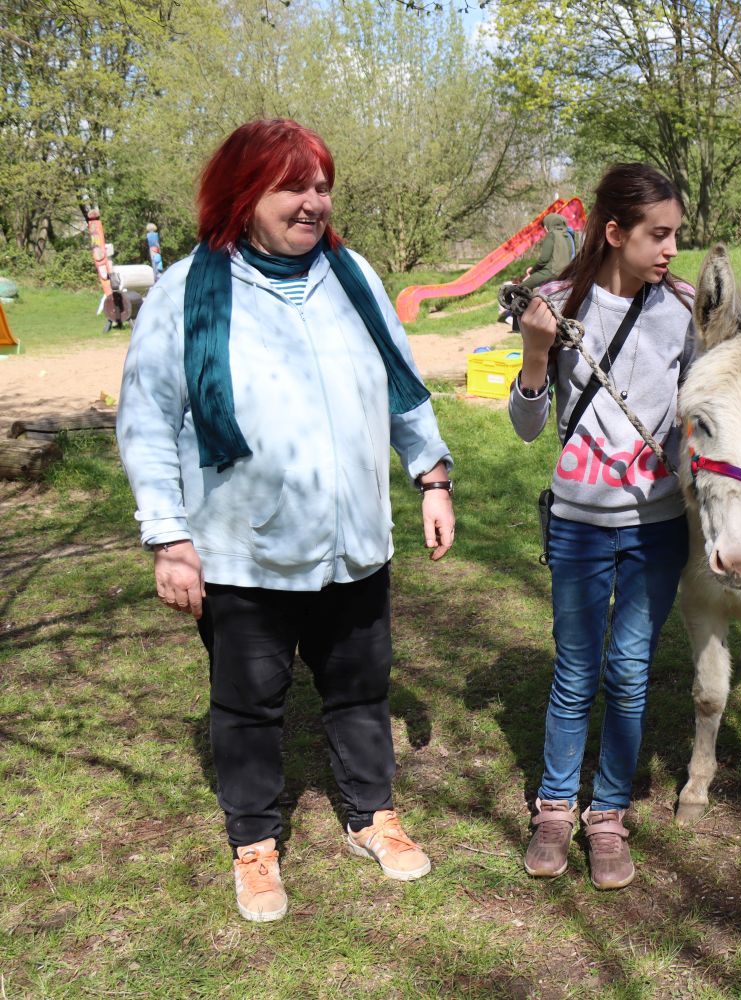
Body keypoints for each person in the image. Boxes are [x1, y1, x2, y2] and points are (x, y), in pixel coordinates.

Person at [117, 118, 454, 924]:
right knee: (247, 705)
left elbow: (400, 379)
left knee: (360, 691)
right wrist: (169, 537)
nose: (313, 203)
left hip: (354, 544)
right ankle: (255, 842)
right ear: (245, 194)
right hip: (244, 553)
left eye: (321, 186)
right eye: (292, 187)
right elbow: (147, 419)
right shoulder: (187, 292)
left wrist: (432, 475)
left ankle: (371, 815)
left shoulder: (352, 273)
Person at [508, 163, 694, 891]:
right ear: (615, 234)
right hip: (580, 524)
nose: (671, 248)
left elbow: (691, 419)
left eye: (676, 233)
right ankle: (555, 809)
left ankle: (608, 814)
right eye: (658, 234)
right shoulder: (554, 304)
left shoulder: (682, 311)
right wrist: (533, 354)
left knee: (629, 671)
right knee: (577, 668)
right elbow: (527, 427)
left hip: (658, 527)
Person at [499, 212, 575, 327]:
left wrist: (532, 271)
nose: (545, 229)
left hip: (551, 272)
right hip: (565, 274)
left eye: (544, 226)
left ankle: (517, 324)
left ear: (548, 224)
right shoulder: (569, 236)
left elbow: (544, 259)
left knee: (519, 290)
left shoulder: (552, 235)